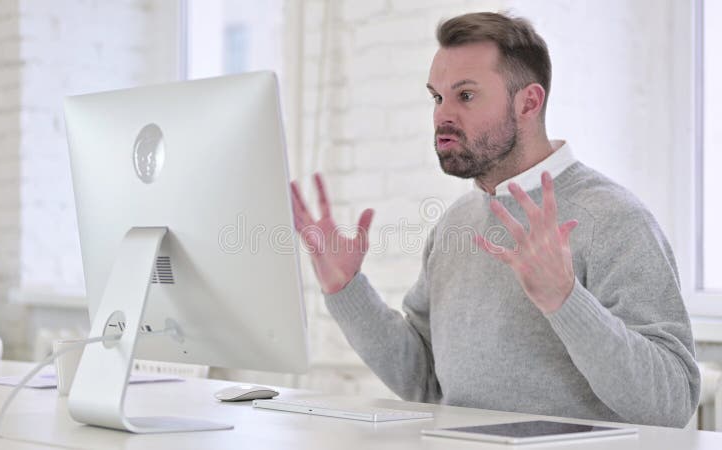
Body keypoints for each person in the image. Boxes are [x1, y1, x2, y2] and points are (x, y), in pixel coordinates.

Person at [290, 11, 700, 428]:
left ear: (528, 102)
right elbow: (427, 383)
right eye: (437, 97)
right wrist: (347, 291)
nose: (442, 116)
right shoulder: (457, 223)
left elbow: (673, 402)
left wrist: (566, 300)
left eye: (465, 95)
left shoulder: (614, 220)